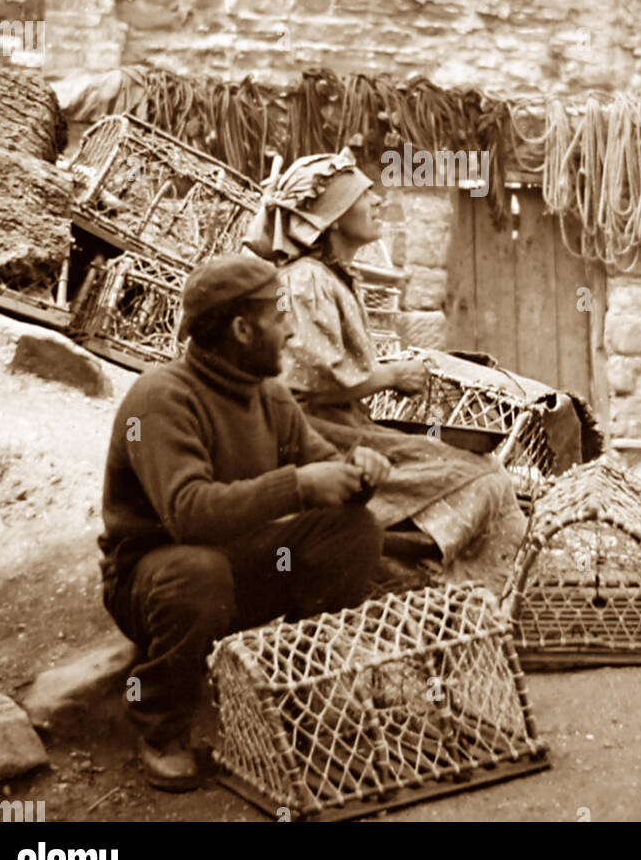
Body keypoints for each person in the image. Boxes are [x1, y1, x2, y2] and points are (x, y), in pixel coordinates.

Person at [99, 252, 387, 791]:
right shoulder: (160, 397)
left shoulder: (268, 395)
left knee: (354, 531)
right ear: (241, 327)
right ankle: (160, 726)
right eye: (281, 318)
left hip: (236, 569)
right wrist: (298, 486)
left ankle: (295, 689)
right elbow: (188, 514)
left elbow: (321, 464)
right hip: (154, 581)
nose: (291, 336)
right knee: (198, 572)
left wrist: (359, 474)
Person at [243, 149, 526, 591]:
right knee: (478, 477)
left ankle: (405, 566)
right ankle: (394, 571)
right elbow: (305, 384)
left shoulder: (332, 277)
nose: (377, 202)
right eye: (363, 194)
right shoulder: (306, 281)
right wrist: (392, 377)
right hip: (316, 435)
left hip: (344, 424)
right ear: (334, 217)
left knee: (480, 466)